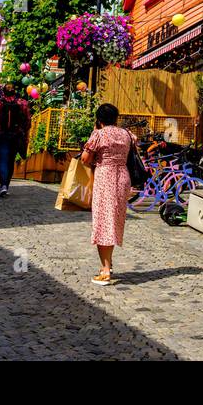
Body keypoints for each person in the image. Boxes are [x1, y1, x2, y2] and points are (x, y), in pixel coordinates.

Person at [80, 103, 132, 285]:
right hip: (123, 177)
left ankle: (105, 269)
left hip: (105, 177)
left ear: (99, 119)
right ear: (116, 118)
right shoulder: (126, 134)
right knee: (114, 221)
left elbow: (85, 159)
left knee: (103, 222)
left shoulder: (99, 134)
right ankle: (107, 264)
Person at [0, 91, 31, 198]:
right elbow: (28, 121)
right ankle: (6, 185)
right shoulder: (22, 103)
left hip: (1, 135)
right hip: (16, 135)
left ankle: (3, 185)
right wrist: (23, 132)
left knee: (3, 160)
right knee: (10, 160)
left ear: (4, 92)